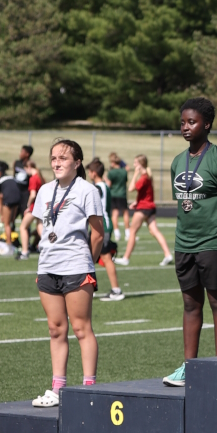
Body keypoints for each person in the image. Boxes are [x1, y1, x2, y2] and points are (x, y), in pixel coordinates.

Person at [160, 98, 217, 386]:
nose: (185, 127)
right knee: (189, 304)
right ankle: (189, 366)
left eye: (191, 122)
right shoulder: (176, 162)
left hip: (214, 242)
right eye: (182, 121)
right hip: (184, 244)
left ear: (206, 124)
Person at [27, 140, 104, 407]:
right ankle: (58, 388)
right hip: (48, 266)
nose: (57, 162)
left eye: (63, 158)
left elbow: (98, 233)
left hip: (76, 267)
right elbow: (42, 226)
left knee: (82, 329)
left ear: (77, 162)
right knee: (55, 329)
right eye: (53, 158)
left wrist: (85, 263)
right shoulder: (45, 190)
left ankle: (88, 389)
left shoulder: (87, 190)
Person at [114, 155, 173, 266]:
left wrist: (136, 173)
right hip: (149, 207)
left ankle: (126, 258)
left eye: (135, 163)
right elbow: (147, 194)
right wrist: (137, 202)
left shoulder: (143, 177)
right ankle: (168, 254)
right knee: (154, 231)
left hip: (144, 209)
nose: (134, 165)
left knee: (132, 232)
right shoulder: (148, 176)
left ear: (141, 164)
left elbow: (131, 188)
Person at [87, 161, 125, 302]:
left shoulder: (98, 188)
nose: (89, 174)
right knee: (90, 258)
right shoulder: (105, 186)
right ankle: (90, 287)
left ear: (94, 173)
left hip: (102, 227)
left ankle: (116, 290)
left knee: (105, 258)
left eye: (90, 172)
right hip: (103, 226)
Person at [18, 161, 45, 259]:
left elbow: (33, 195)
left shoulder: (33, 178)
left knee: (23, 227)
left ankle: (25, 252)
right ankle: (50, 248)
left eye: (25, 169)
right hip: (42, 206)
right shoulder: (41, 177)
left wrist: (28, 206)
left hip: (35, 207)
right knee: (40, 229)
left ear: (29, 167)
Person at [0, 161, 22, 248]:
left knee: (6, 224)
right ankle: (14, 241)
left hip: (8, 201)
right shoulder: (11, 177)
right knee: (11, 221)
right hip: (18, 200)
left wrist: (2, 215)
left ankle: (9, 244)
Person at [106, 152, 129, 241]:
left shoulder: (111, 172)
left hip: (113, 194)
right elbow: (125, 181)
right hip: (122, 194)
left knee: (115, 214)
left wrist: (105, 179)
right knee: (125, 213)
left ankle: (117, 234)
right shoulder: (124, 171)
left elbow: (109, 184)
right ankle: (127, 233)